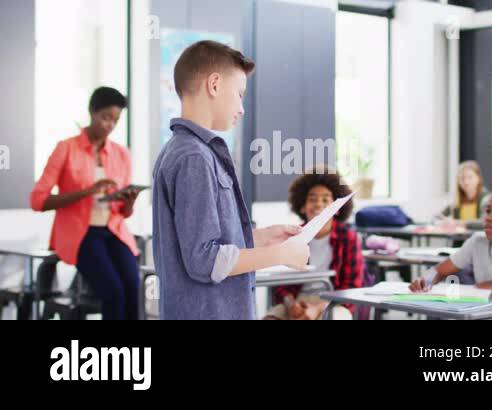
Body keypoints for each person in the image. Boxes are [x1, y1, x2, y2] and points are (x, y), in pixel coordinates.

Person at [152, 40, 310, 320]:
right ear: (214, 85)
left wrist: (260, 238)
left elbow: (206, 240)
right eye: (239, 94)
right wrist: (282, 255)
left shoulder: (189, 152)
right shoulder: (194, 158)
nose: (242, 108)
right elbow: (204, 260)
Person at [31, 87, 141, 320]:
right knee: (113, 292)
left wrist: (128, 202)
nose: (110, 125)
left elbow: (123, 213)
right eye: (105, 117)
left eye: (116, 120)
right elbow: (38, 200)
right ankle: (113, 356)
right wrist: (88, 191)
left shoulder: (122, 154)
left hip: (114, 231)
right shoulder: (66, 148)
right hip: (81, 234)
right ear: (92, 112)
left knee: (133, 287)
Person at [265, 166, 365, 320]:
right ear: (303, 206)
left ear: (336, 208)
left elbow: (351, 288)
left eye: (326, 199)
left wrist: (317, 309)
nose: (319, 204)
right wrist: (291, 304)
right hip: (296, 301)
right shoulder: (292, 236)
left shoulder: (348, 239)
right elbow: (280, 285)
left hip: (333, 303)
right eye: (312, 199)